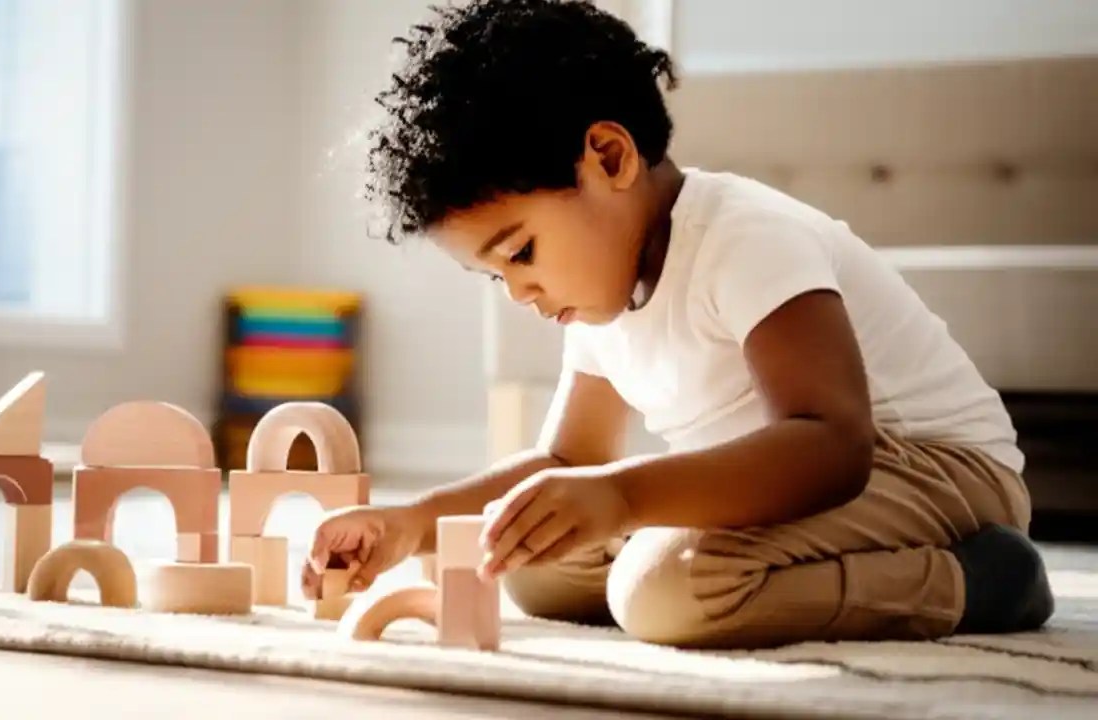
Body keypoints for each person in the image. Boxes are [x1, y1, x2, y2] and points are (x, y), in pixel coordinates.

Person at [301, 0, 1055, 648]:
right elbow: (568, 455)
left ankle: (973, 583)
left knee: (664, 591)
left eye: (522, 252)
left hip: (936, 468)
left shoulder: (744, 236)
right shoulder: (601, 292)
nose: (520, 293)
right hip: (811, 478)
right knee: (529, 559)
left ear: (609, 156)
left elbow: (832, 445)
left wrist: (624, 498)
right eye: (497, 275)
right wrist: (413, 521)